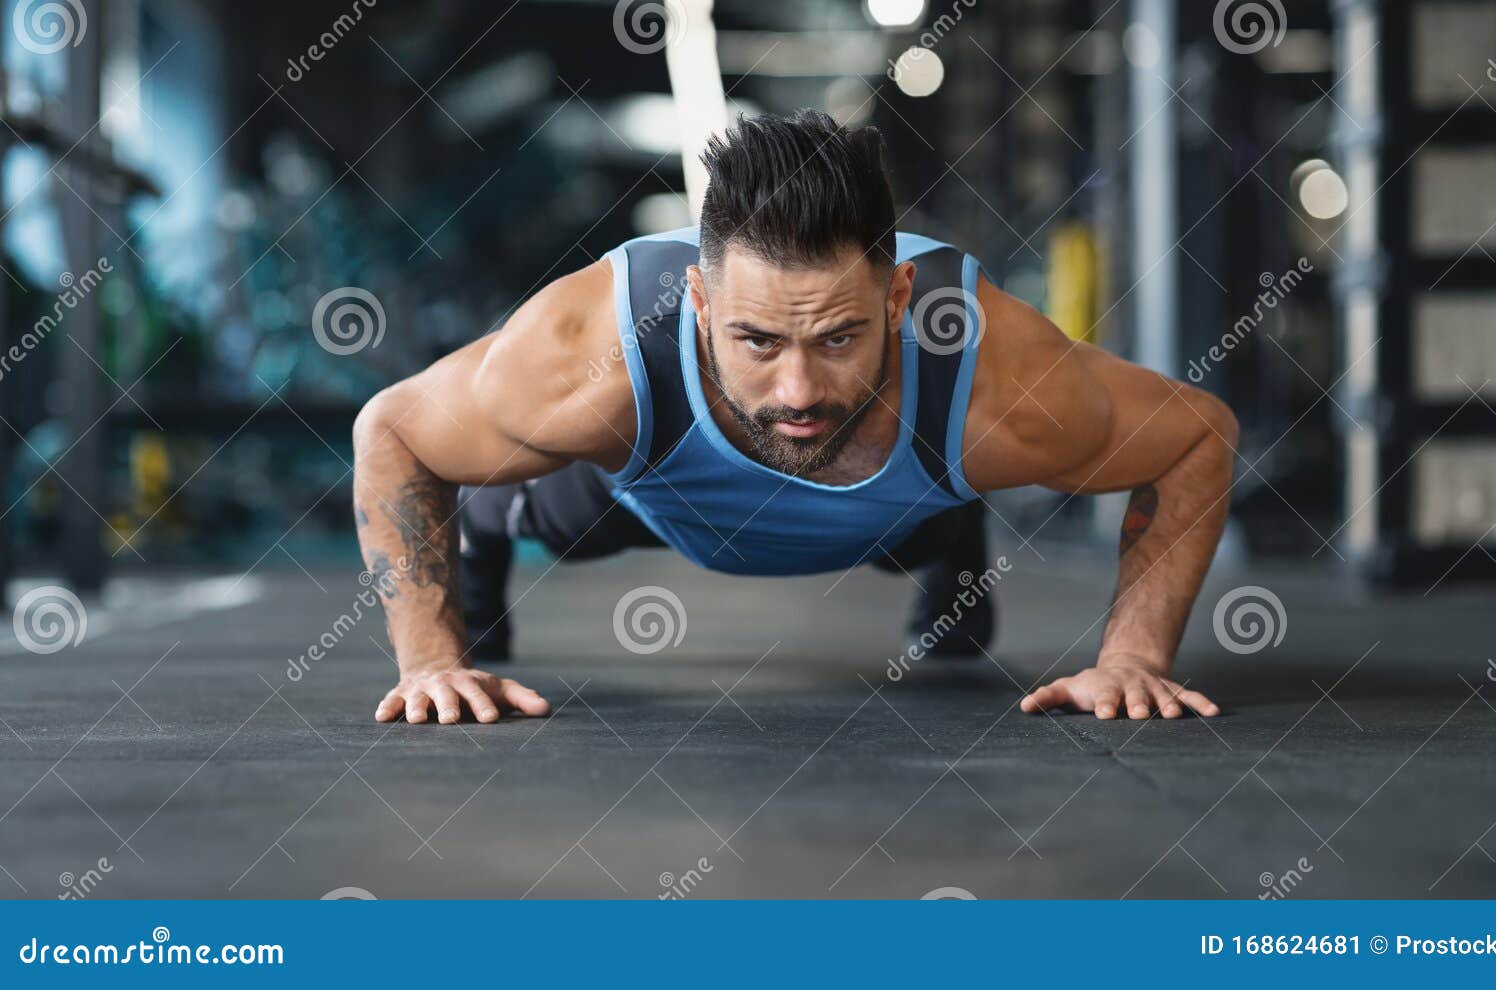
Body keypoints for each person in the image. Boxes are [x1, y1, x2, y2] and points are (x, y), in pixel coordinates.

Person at [352, 110, 1235, 726]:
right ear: (699, 301)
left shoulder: (997, 378)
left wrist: (1134, 661)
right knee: (544, 510)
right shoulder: (592, 355)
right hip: (647, 497)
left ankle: (949, 521)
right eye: (758, 341)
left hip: (891, 506)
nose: (801, 390)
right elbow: (392, 431)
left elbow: (1197, 433)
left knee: (937, 498)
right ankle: (486, 549)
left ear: (896, 297)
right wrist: (430, 658)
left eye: (840, 337)